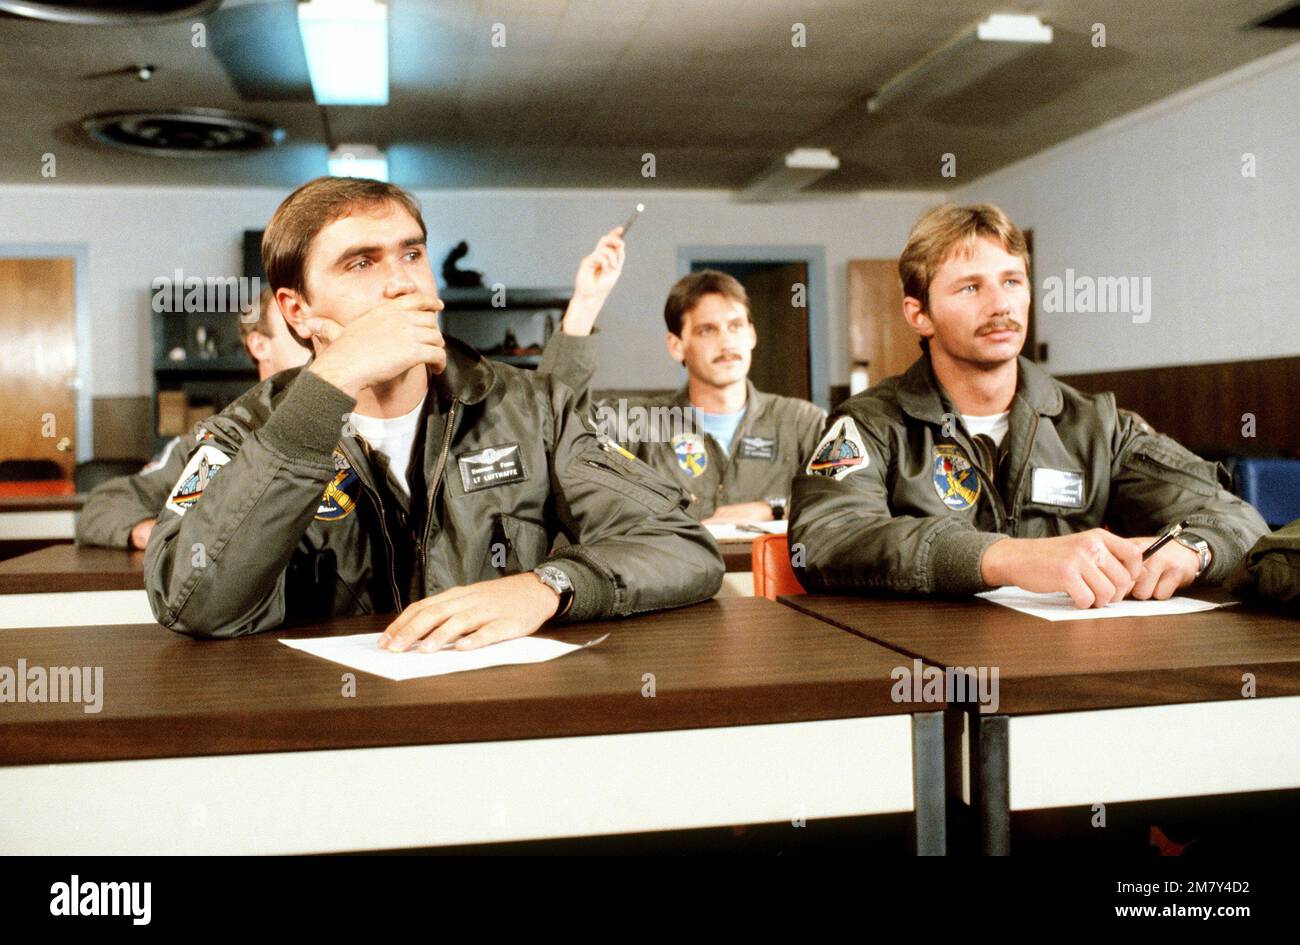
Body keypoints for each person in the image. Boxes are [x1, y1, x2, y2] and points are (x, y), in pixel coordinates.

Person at [144, 176, 723, 646]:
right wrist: (333, 381)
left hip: (492, 729)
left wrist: (549, 585)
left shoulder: (536, 409)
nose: (401, 283)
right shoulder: (247, 432)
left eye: (412, 254)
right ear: (296, 312)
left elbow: (682, 546)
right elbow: (190, 603)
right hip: (320, 739)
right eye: (360, 264)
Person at [788, 203, 1268, 608]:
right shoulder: (870, 423)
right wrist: (1005, 558)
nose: (1000, 304)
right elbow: (827, 540)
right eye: (971, 287)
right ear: (920, 314)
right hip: (926, 667)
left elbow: (1237, 517)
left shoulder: (1096, 425)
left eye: (1013, 282)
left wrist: (1192, 550)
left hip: (1063, 663)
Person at [540, 230, 826, 524]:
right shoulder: (641, 424)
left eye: (736, 326)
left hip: (768, 571)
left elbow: (851, 504)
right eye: (707, 330)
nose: (727, 342)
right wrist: (586, 302)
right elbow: (555, 419)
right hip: (677, 571)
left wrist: (774, 509)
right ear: (676, 346)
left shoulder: (802, 423)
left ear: (752, 335)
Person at [75, 286, 310, 549]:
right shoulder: (221, 438)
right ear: (259, 345)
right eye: (297, 328)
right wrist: (166, 536)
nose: (315, 337)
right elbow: (105, 505)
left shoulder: (351, 425)